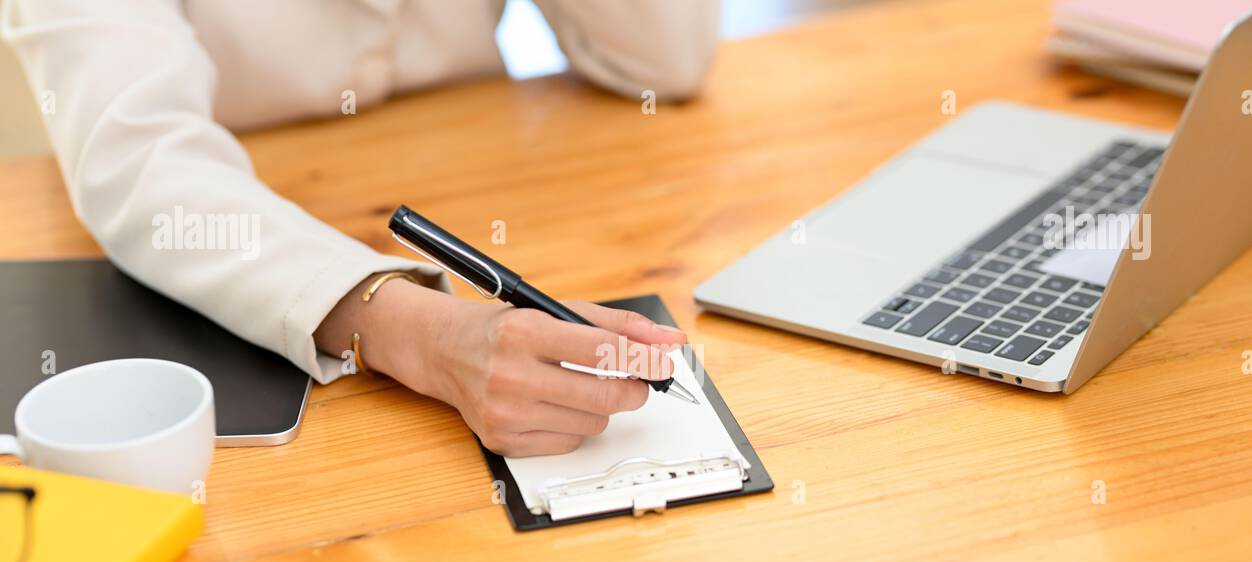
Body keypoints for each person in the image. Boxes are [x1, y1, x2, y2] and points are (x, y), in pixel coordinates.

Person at [1, 0, 719, 456]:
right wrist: (421, 335)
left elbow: (667, 58)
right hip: (240, 267)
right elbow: (137, 158)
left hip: (497, 176)